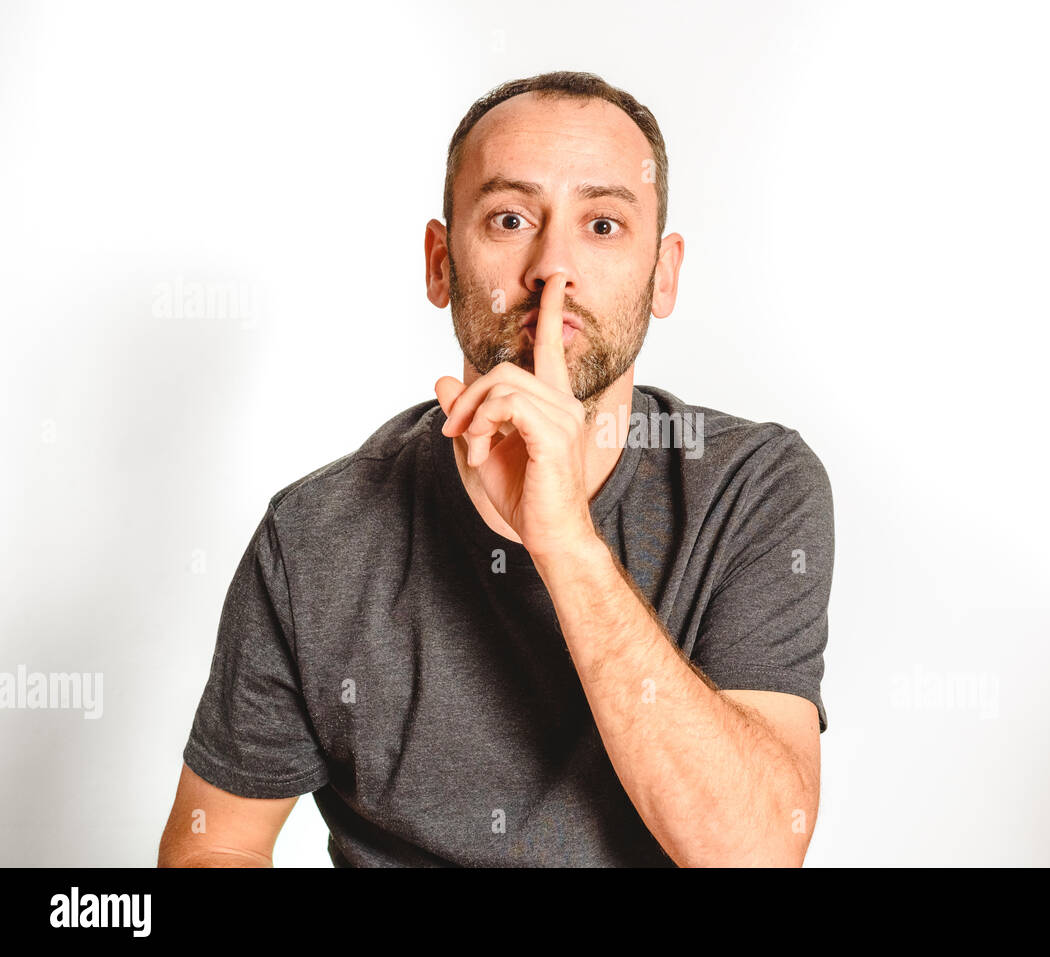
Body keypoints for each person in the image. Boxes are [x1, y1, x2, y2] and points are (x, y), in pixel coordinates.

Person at [158, 71, 834, 868]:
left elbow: (756, 853)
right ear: (440, 263)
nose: (553, 268)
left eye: (603, 224)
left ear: (665, 274)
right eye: (510, 219)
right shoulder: (315, 534)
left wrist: (565, 541)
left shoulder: (755, 488)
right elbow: (216, 842)